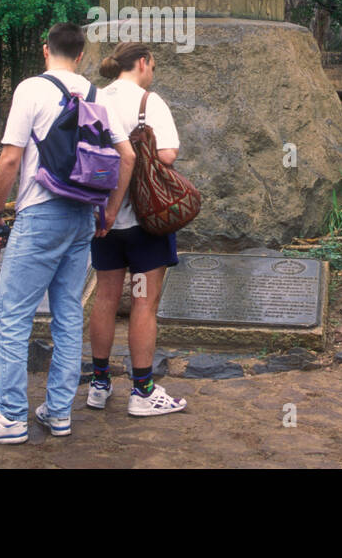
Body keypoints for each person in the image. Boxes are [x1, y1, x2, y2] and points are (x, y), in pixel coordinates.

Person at [0, 23, 136, 444]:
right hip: (81, 218)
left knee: (10, 318)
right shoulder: (96, 94)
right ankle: (58, 414)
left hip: (40, 213)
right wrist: (108, 211)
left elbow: (9, 160)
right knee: (68, 316)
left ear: (45, 50)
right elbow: (126, 155)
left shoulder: (31, 89)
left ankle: (10, 415)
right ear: (80, 55)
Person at [88, 42, 188, 416]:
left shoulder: (94, 97)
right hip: (146, 220)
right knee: (144, 303)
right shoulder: (149, 101)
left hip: (103, 221)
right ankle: (143, 391)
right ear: (142, 63)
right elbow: (167, 155)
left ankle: (99, 384)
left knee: (106, 298)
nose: (153, 72)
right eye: (153, 65)